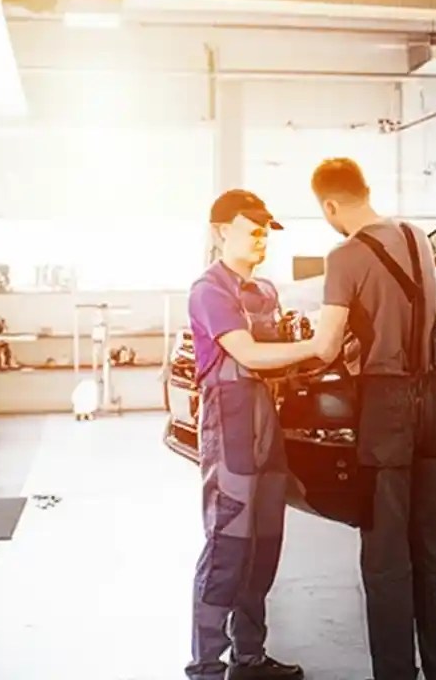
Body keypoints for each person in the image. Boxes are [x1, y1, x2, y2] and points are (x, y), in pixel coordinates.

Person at [302, 157, 436, 679]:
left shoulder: (343, 255)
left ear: (329, 204)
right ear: (365, 190)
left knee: (387, 556)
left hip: (385, 409)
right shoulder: (418, 239)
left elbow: (325, 346)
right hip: (432, 400)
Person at [185, 189, 315, 680]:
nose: (262, 237)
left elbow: (280, 359)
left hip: (268, 427)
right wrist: (313, 344)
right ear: (221, 231)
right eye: (252, 228)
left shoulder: (265, 292)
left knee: (264, 544)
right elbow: (251, 355)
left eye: (266, 230)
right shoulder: (208, 290)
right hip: (230, 426)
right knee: (228, 545)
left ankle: (250, 656)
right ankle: (205, 666)